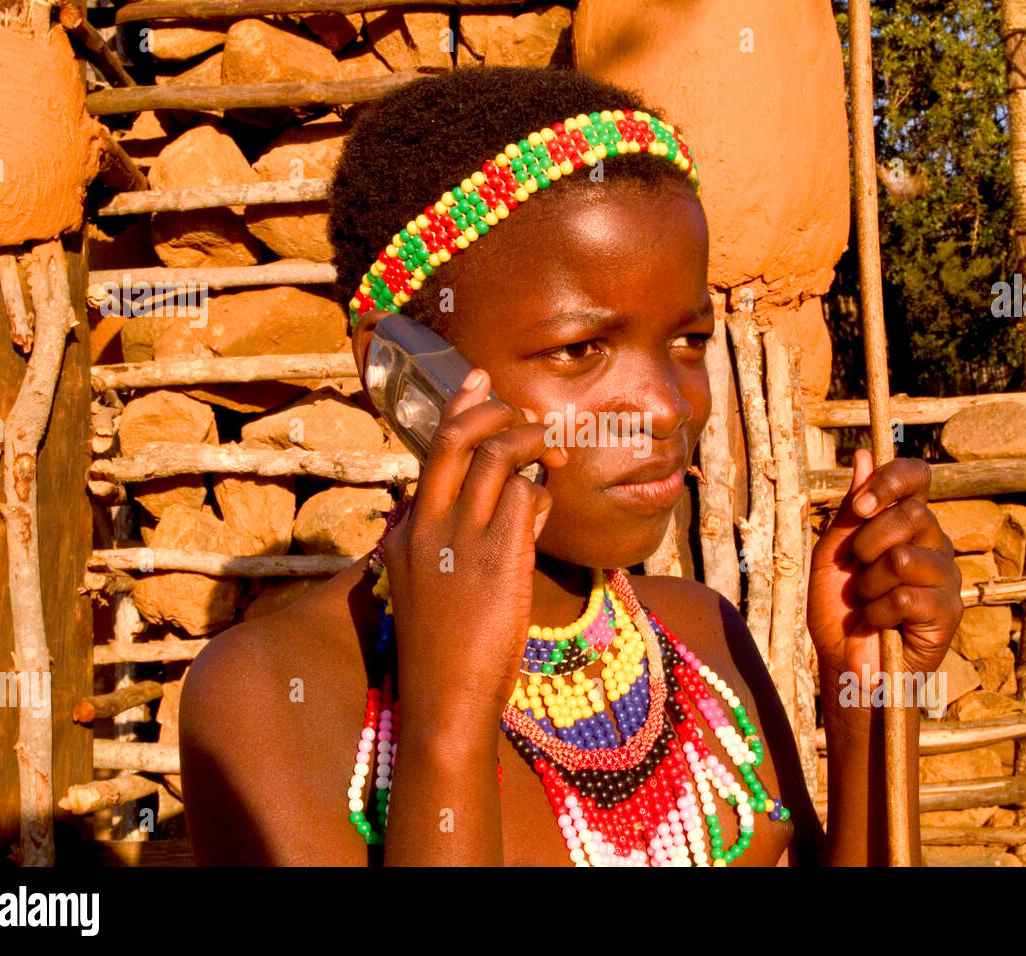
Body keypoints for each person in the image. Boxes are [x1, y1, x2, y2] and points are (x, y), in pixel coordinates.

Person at [179, 66, 963, 866]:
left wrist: (869, 702)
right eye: (579, 349)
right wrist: (450, 712)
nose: (663, 406)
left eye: (687, 341)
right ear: (404, 371)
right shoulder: (273, 695)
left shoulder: (701, 636)